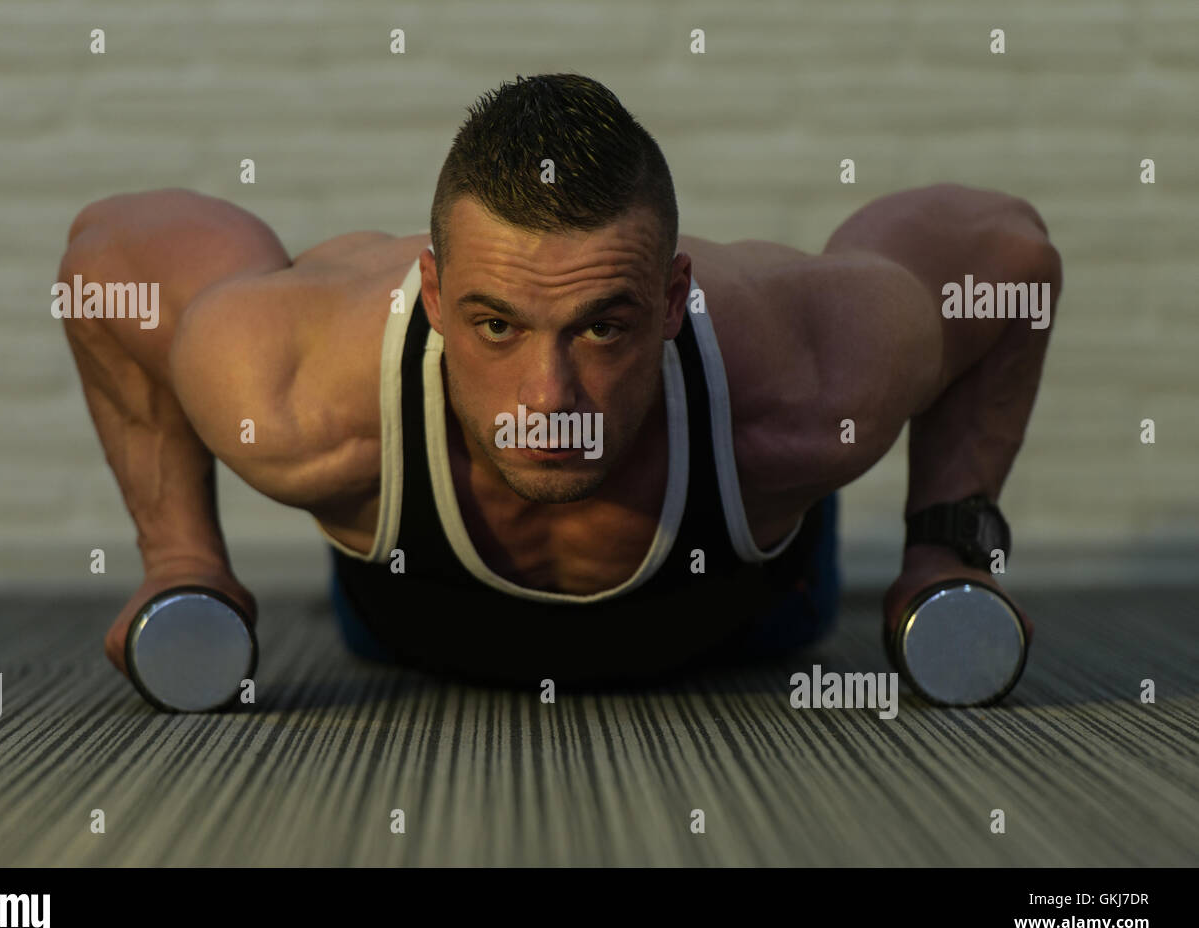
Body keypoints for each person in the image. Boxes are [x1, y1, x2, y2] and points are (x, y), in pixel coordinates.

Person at [59, 73, 1060, 689]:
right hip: (410, 619)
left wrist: (945, 550)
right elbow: (107, 259)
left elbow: (1009, 256)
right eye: (497, 325)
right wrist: (179, 563)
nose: (550, 395)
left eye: (602, 326)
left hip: (747, 617)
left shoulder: (806, 390)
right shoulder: (297, 397)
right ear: (437, 299)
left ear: (672, 302)